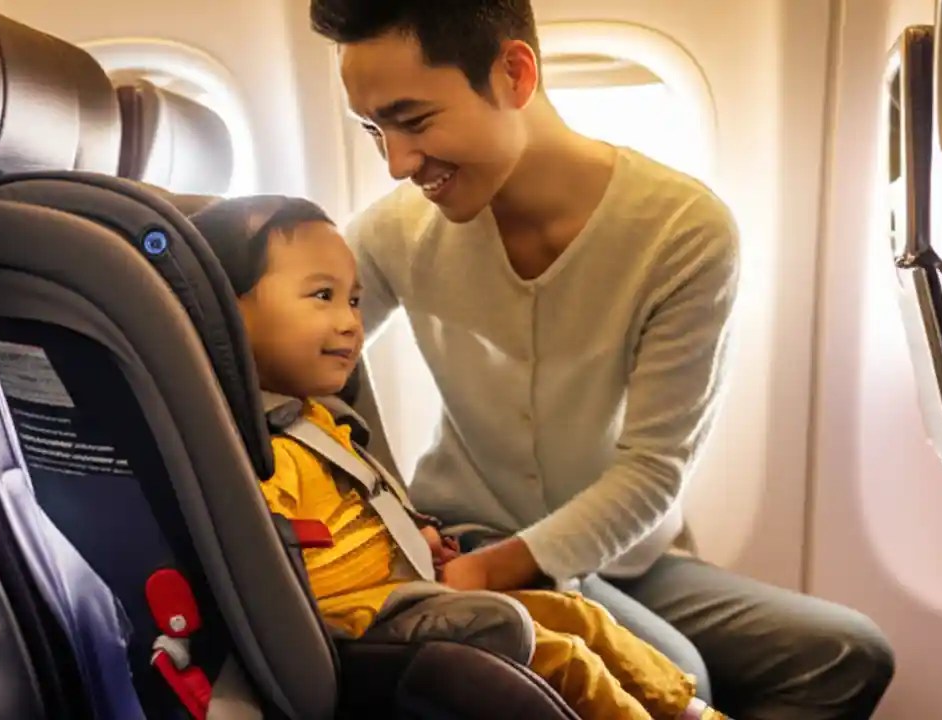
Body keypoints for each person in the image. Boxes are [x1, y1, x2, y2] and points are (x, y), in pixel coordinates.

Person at [307, 1, 896, 718]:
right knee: (680, 681)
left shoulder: (682, 232)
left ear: (515, 73)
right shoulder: (395, 234)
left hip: (628, 556)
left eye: (415, 121)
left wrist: (495, 572)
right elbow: (300, 353)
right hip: (468, 533)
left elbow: (652, 470)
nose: (397, 163)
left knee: (847, 653)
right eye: (374, 131)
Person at [208, 195, 729, 719]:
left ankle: (693, 714)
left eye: (354, 301)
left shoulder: (317, 421)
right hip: (367, 619)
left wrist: (417, 538)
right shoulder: (258, 452)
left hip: (408, 588)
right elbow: (268, 570)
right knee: (562, 654)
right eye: (323, 295)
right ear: (224, 309)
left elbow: (358, 506)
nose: (350, 323)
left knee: (578, 616)